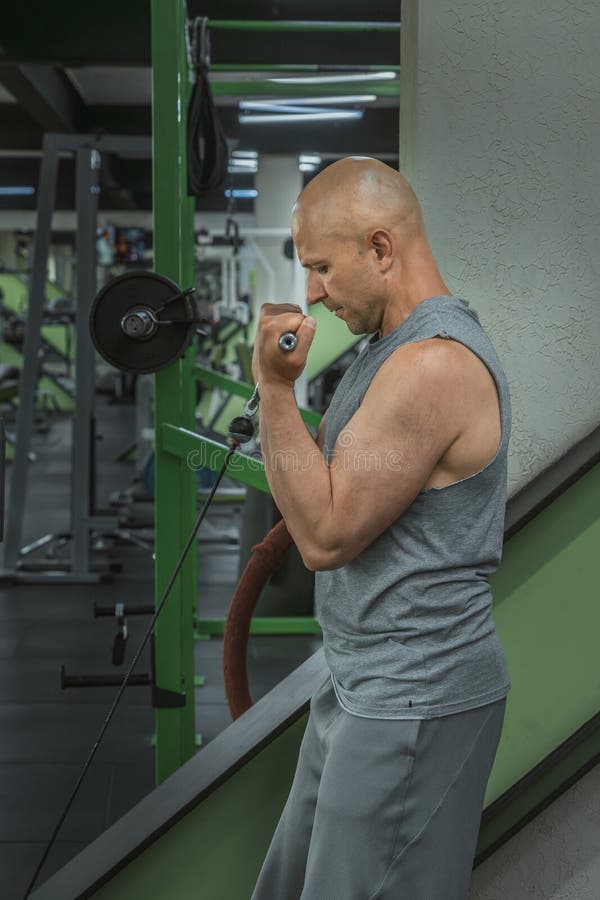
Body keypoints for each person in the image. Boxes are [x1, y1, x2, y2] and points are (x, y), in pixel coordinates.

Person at [251, 157, 511, 900]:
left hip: (415, 693)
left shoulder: (433, 366)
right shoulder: (381, 356)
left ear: (381, 249)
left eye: (323, 267)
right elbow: (325, 495)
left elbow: (326, 534)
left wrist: (273, 389)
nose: (312, 292)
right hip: (362, 679)